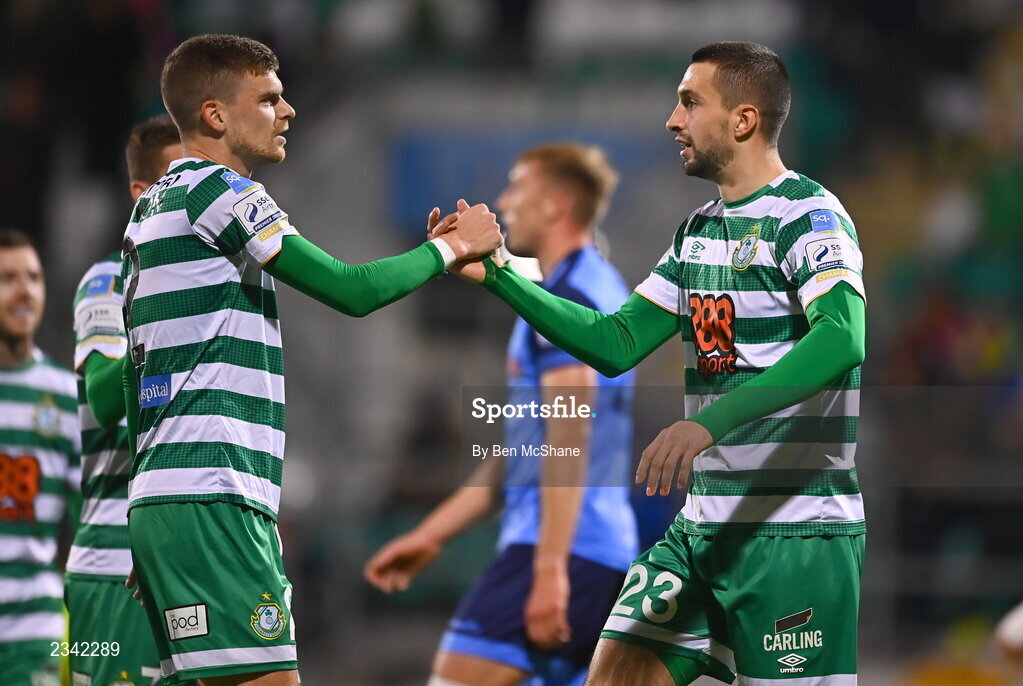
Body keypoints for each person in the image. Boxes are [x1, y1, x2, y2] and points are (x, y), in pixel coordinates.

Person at [437, 42, 867, 685]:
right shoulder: (697, 232)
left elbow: (843, 339)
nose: (673, 119)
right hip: (701, 530)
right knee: (612, 676)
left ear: (743, 120)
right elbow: (617, 341)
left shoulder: (808, 214)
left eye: (691, 102)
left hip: (794, 535)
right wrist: (500, 275)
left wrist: (709, 422)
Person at [121, 34, 502, 686]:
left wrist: (148, 511)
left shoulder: (149, 213)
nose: (288, 110)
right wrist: (451, 251)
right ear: (215, 115)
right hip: (216, 492)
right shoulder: (222, 192)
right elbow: (351, 290)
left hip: (163, 500)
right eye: (268, 99)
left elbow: (137, 374)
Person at [365, 143, 639, 686]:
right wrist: (433, 534)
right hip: (593, 549)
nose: (505, 200)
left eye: (517, 186)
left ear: (556, 204)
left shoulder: (573, 296)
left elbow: (567, 436)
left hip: (563, 547)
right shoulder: (588, 289)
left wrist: (549, 570)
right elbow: (529, 450)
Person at [66, 114, 191, 686]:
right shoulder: (107, 282)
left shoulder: (202, 275)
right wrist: (161, 342)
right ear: (142, 192)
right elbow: (101, 393)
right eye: (178, 174)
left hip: (184, 553)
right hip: (115, 558)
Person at [0, 229, 81, 686]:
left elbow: (85, 515)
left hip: (35, 633)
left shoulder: (64, 395)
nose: (24, 289)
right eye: (7, 277)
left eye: (32, 276)